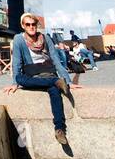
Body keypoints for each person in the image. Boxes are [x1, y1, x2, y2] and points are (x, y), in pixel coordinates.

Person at [4, 13, 75, 147]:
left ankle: (59, 130)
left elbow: (55, 60)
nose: (31, 27)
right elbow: (17, 63)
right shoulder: (19, 39)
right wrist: (14, 83)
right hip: (32, 76)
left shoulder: (46, 38)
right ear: (23, 26)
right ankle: (56, 82)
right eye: (27, 24)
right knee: (20, 79)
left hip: (48, 73)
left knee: (54, 91)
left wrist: (68, 80)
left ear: (37, 25)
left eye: (33, 24)